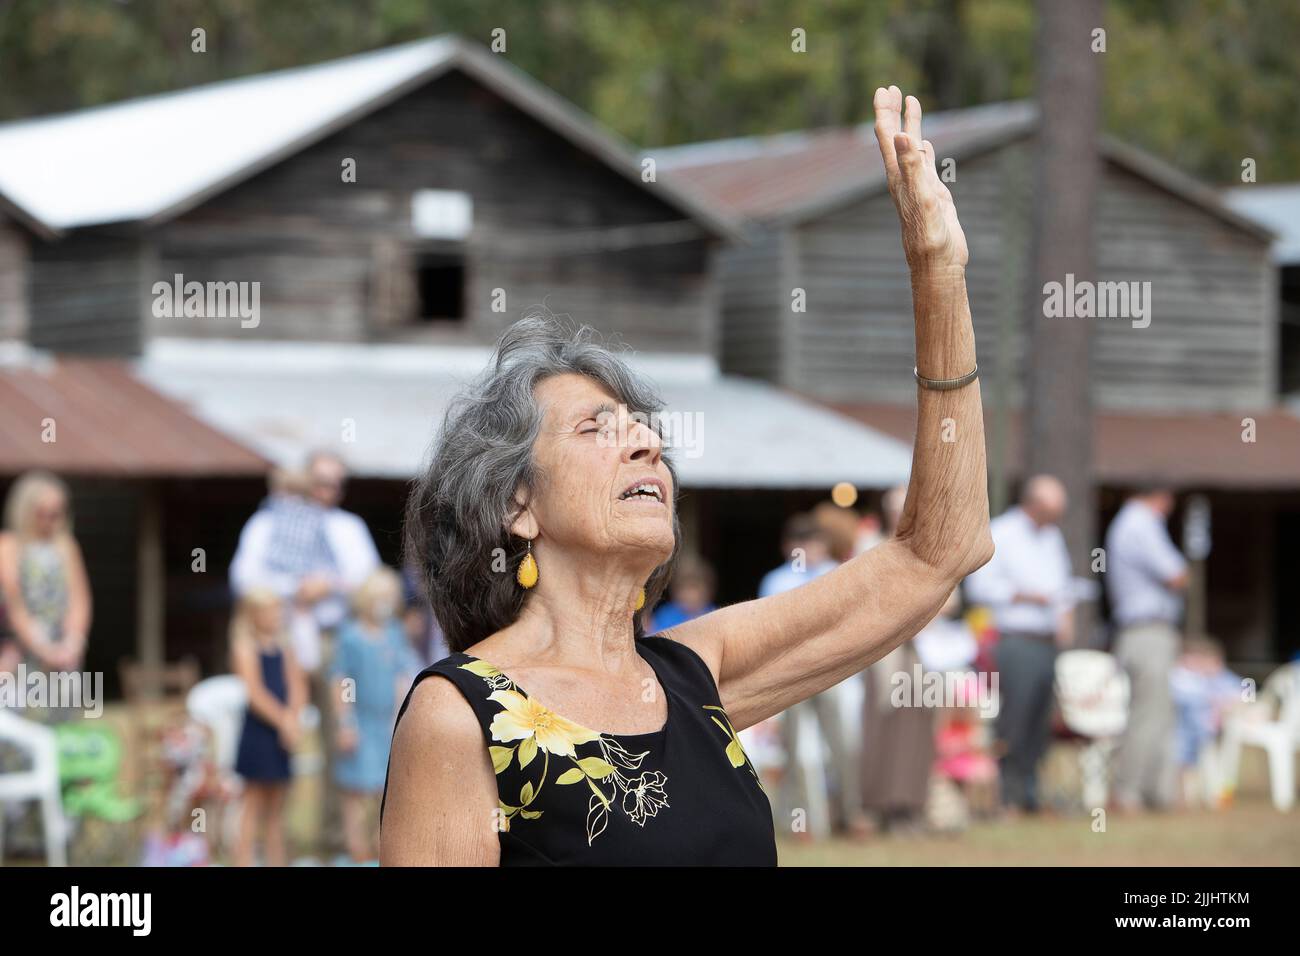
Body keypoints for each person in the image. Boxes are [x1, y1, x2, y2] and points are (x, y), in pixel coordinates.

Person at [380, 86, 992, 866]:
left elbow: (940, 551)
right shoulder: (459, 715)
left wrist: (938, 274)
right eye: (596, 429)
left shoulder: (692, 679)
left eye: (645, 431)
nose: (644, 446)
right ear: (516, 505)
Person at [230, 451, 380, 855]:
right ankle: (282, 844)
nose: (324, 490)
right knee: (278, 738)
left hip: (334, 642)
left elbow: (369, 580)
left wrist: (328, 585)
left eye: (334, 483)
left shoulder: (349, 528)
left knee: (339, 739)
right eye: (319, 480)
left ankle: (333, 843)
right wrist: (293, 588)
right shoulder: (268, 523)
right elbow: (244, 577)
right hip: (281, 641)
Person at [963, 475, 1075, 815]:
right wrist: (1026, 596)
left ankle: (1030, 792)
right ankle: (1006, 796)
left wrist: (1063, 620)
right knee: (1013, 717)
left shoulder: (1052, 537)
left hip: (1046, 641)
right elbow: (979, 587)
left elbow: (1063, 585)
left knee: (1040, 720)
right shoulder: (1003, 532)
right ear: (1034, 504)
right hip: (1014, 639)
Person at [759, 514, 864, 837]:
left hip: (833, 671)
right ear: (789, 547)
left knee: (846, 743)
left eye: (815, 543)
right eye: (802, 544)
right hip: (790, 673)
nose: (809, 550)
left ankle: (851, 814)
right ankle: (804, 823)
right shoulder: (776, 582)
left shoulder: (838, 574)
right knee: (799, 752)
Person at [859, 484, 938, 835]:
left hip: (919, 652)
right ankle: (879, 806)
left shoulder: (928, 547)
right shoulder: (871, 546)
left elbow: (947, 596)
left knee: (917, 729)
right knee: (882, 728)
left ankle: (912, 805)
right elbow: (865, 596)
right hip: (882, 652)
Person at [1105, 487, 1188, 812]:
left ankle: (1157, 793)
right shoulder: (1139, 523)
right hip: (1146, 631)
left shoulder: (1130, 523)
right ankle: (1129, 793)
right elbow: (1176, 574)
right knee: (1147, 715)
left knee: (1159, 713)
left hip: (1148, 631)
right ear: (1161, 497)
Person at [331, 567, 420, 863]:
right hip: (360, 723)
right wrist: (346, 722)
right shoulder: (350, 637)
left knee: (386, 790)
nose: (384, 604)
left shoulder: (395, 633)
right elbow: (343, 682)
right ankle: (357, 852)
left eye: (389, 598)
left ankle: (380, 851)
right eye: (378, 597)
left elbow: (402, 676)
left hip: (387, 725)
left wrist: (401, 717)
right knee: (356, 791)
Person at [0, 471, 93, 721]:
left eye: (57, 513)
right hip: (19, 654)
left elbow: (79, 601)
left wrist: (72, 643)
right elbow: (15, 605)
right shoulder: (7, 546)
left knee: (60, 727)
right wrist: (43, 649)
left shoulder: (66, 546)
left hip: (62, 654)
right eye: (43, 513)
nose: (50, 520)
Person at [231, 587, 306, 867]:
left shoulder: (286, 648)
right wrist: (283, 720)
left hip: (281, 738)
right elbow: (255, 694)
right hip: (258, 735)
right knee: (252, 804)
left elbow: (297, 685)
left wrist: (293, 719)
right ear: (253, 615)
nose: (275, 616)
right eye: (268, 611)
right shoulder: (244, 648)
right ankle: (243, 861)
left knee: (276, 809)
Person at [1169, 634, 1240, 808]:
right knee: (1196, 753)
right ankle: (1192, 796)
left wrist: (1230, 704)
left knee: (1215, 758)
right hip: (1190, 733)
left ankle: (1218, 794)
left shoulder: (1225, 678)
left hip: (1216, 730)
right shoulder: (1188, 680)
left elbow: (1246, 691)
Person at [647, 553, 717, 633]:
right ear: (674, 592)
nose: (689, 595)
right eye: (683, 588)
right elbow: (655, 637)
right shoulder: (666, 615)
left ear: (708, 590)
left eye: (694, 587)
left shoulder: (714, 615)